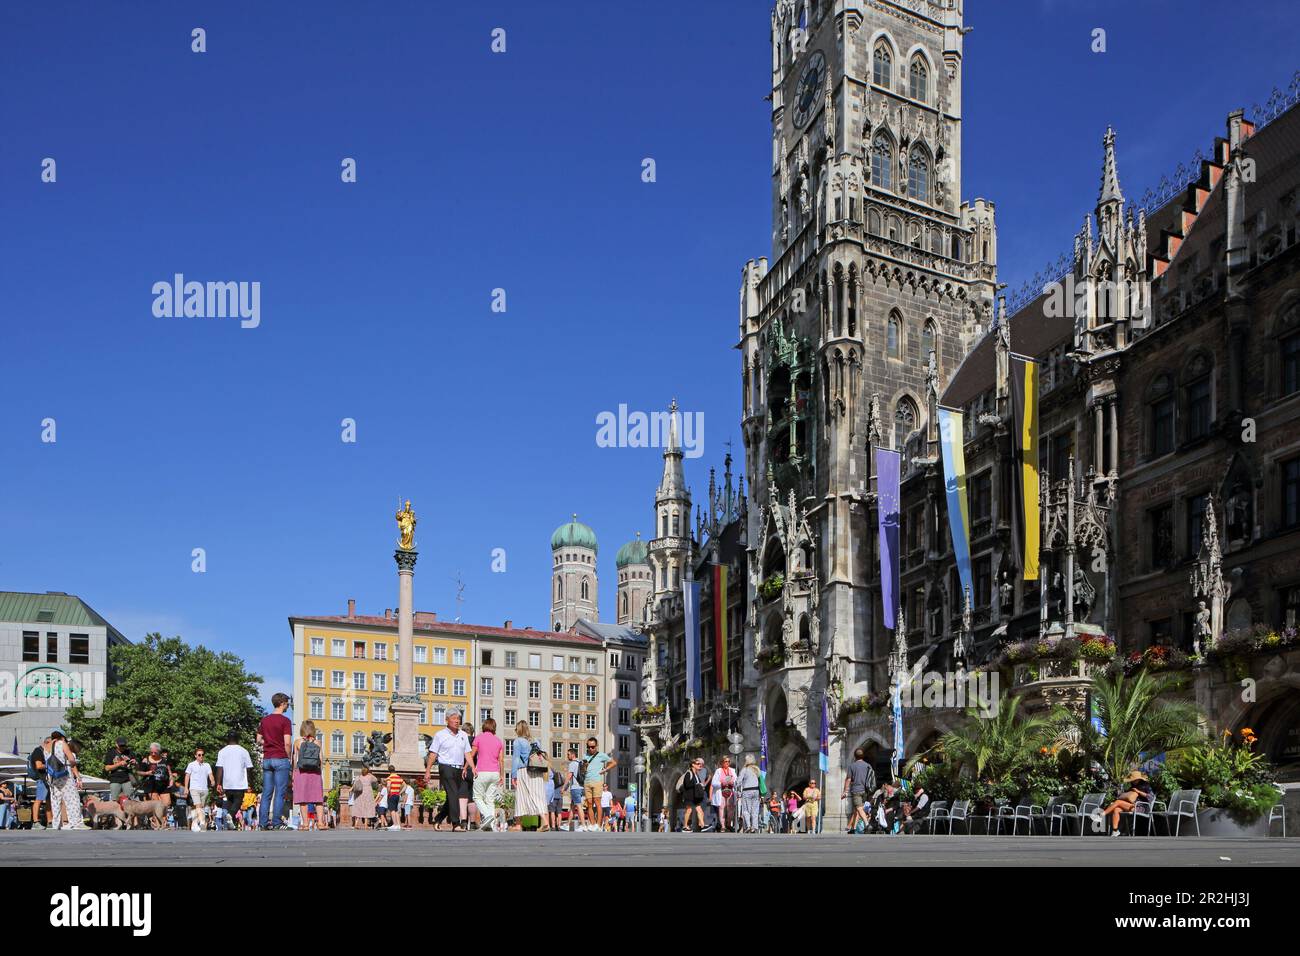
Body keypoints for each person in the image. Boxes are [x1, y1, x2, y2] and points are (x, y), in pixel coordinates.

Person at [424, 710, 472, 831]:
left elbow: (467, 753)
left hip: (459, 769)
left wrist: (473, 767)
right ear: (447, 720)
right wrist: (428, 770)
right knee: (454, 795)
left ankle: (438, 819)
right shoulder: (440, 735)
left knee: (452, 797)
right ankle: (456, 824)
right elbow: (433, 753)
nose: (457, 721)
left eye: (458, 719)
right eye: (454, 718)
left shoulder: (463, 735)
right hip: (446, 767)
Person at [257, 692, 293, 830]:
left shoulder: (264, 720)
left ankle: (263, 823)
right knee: (280, 792)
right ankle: (277, 822)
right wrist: (288, 757)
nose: (288, 706)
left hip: (267, 759)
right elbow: (287, 743)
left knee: (266, 792)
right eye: (287, 703)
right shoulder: (285, 721)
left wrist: (269, 742)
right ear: (282, 703)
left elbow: (258, 739)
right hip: (280, 758)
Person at [510, 720, 550, 830]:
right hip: (537, 770)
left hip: (524, 770)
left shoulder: (518, 741)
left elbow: (516, 759)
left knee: (521, 796)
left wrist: (513, 775)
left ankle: (518, 825)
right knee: (538, 795)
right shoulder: (535, 741)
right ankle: (545, 822)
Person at [468, 717, 504, 832]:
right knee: (490, 799)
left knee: (477, 797)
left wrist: (466, 767)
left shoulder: (479, 738)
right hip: (495, 773)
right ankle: (491, 825)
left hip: (482, 771)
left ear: (484, 726)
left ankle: (488, 816)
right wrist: (502, 775)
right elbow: (501, 760)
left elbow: (471, 755)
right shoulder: (498, 740)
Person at [1093, 771, 1154, 836]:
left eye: (1134, 780)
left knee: (1118, 802)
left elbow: (1151, 797)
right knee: (1116, 809)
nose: (1132, 781)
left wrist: (1138, 792)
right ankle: (1115, 831)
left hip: (1141, 807)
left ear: (1138, 779)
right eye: (1132, 780)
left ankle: (1102, 815)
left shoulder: (1146, 786)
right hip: (1131, 806)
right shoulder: (1132, 787)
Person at [215, 731, 253, 830]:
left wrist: (218, 783)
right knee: (238, 801)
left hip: (227, 783)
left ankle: (231, 824)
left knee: (230, 802)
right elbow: (249, 768)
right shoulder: (244, 751)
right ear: (238, 739)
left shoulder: (222, 751)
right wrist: (250, 782)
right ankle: (230, 815)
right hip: (239, 782)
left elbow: (219, 768)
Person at [46, 729, 84, 830]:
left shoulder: (47, 745)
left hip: (52, 777)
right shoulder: (62, 743)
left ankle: (56, 824)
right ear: (62, 737)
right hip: (64, 775)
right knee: (72, 798)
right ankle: (75, 822)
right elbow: (71, 759)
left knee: (55, 800)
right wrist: (78, 776)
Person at [292, 719, 325, 832]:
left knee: (303, 800)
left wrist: (293, 774)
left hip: (301, 772)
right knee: (318, 799)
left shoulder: (297, 742)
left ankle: (305, 824)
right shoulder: (317, 742)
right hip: (315, 773)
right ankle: (320, 823)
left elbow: (294, 759)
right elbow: (321, 760)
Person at [581, 737, 616, 829]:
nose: (590, 749)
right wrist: (584, 767)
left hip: (597, 781)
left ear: (596, 746)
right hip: (587, 781)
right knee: (588, 804)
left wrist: (605, 769)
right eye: (588, 747)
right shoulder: (585, 756)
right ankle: (592, 824)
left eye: (592, 747)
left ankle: (599, 825)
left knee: (597, 802)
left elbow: (613, 762)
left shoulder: (601, 755)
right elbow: (583, 771)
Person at [844, 748, 877, 834]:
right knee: (857, 809)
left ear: (855, 756)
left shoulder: (852, 766)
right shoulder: (868, 765)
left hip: (856, 790)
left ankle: (867, 824)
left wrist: (845, 791)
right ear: (863, 756)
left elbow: (848, 779)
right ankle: (853, 828)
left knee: (859, 808)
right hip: (865, 791)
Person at [676, 757, 708, 832]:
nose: (700, 765)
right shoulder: (688, 773)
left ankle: (703, 826)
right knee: (689, 810)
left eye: (700, 764)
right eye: (698, 764)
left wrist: (700, 785)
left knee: (699, 810)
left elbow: (696, 784)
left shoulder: (696, 774)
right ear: (693, 765)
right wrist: (697, 784)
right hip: (689, 796)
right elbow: (687, 784)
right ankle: (685, 826)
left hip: (695, 796)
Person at [184, 746, 214, 824]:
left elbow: (210, 774)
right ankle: (202, 822)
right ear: (195, 756)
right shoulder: (191, 764)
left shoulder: (207, 765)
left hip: (204, 789)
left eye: (202, 754)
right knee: (198, 805)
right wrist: (186, 788)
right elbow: (187, 776)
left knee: (201, 807)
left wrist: (212, 780)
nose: (201, 756)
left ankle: (193, 819)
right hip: (194, 788)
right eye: (199, 755)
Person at [103, 737, 137, 803]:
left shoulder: (129, 752)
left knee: (130, 800)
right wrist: (119, 764)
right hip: (115, 780)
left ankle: (129, 813)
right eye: (120, 745)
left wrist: (135, 763)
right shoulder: (111, 752)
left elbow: (137, 767)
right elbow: (107, 768)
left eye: (124, 745)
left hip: (127, 779)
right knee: (114, 801)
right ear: (116, 744)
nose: (122, 747)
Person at [710, 756, 738, 833]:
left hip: (730, 792)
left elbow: (737, 781)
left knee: (730, 808)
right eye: (726, 761)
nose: (727, 763)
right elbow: (713, 783)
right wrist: (722, 783)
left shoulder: (732, 771)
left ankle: (729, 824)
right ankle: (723, 826)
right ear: (722, 762)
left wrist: (733, 783)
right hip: (721, 792)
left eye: (729, 761)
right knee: (721, 808)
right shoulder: (718, 771)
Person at [27, 736, 50, 830]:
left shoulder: (45, 752)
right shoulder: (38, 751)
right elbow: (39, 766)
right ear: (47, 743)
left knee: (49, 800)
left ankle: (50, 822)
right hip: (41, 779)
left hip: (46, 779)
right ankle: (35, 822)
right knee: (39, 799)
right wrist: (51, 765)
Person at [141, 742, 173, 808]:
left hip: (164, 785)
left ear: (159, 752)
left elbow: (169, 771)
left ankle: (162, 818)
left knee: (167, 804)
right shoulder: (145, 760)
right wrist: (147, 773)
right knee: (156, 806)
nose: (153, 754)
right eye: (151, 752)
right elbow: (138, 772)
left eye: (155, 752)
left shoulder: (164, 760)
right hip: (151, 785)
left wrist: (171, 779)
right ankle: (155, 818)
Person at [736, 755, 762, 833]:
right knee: (755, 810)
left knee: (746, 809)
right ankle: (755, 827)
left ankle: (748, 826)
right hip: (756, 791)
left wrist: (736, 786)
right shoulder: (757, 769)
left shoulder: (745, 769)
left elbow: (738, 782)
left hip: (747, 791)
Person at [565, 747, 587, 831]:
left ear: (573, 754)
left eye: (568, 754)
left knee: (578, 806)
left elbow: (569, 776)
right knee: (572, 807)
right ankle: (567, 825)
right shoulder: (580, 762)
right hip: (581, 787)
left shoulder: (572, 763)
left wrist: (564, 787)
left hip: (575, 787)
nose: (567, 756)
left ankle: (583, 825)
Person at [383, 766, 405, 832]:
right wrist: (400, 792)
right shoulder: (399, 778)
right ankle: (398, 825)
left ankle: (395, 824)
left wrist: (389, 793)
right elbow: (405, 786)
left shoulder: (389, 778)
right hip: (397, 795)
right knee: (396, 810)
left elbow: (388, 786)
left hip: (392, 794)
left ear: (389, 771)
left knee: (392, 810)